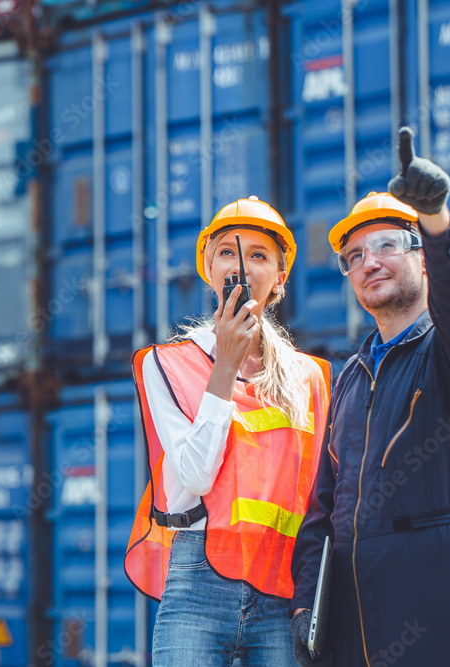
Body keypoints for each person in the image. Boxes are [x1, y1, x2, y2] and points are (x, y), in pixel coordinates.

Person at [289, 127, 450, 666]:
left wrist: (436, 221)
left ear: (424, 259)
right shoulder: (352, 378)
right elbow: (324, 506)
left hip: (439, 596)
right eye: (354, 255)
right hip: (354, 615)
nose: (369, 262)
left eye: (387, 244)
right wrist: (305, 608)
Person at [124, 196, 332, 666]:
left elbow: (321, 500)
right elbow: (196, 477)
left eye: (259, 255)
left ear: (280, 277)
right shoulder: (167, 363)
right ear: (209, 269)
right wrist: (227, 364)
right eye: (227, 253)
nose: (242, 265)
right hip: (198, 579)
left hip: (283, 586)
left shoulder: (309, 378)